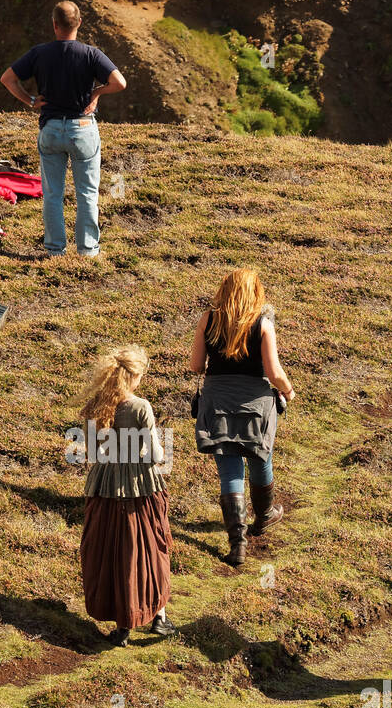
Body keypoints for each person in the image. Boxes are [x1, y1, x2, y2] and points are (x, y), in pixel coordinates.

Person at [0, 1, 126, 258]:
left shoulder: (39, 53)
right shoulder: (91, 54)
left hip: (52, 129)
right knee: (87, 194)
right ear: (79, 23)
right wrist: (97, 92)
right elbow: (119, 82)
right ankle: (87, 251)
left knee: (53, 195)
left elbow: (7, 79)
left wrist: (30, 100)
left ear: (54, 25)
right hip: (82, 128)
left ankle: (55, 250)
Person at [190, 269, 295, 566]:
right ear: (255, 293)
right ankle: (263, 516)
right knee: (261, 457)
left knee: (229, 471)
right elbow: (274, 373)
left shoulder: (208, 319)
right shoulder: (263, 323)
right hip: (256, 404)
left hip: (217, 401)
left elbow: (197, 365)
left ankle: (238, 545)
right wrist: (288, 391)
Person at [78, 344, 175, 647]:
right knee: (149, 553)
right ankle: (157, 616)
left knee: (112, 555)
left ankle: (123, 626)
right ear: (133, 376)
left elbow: (94, 453)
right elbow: (155, 455)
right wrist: (158, 453)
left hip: (104, 487)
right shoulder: (140, 407)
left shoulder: (96, 405)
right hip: (140, 488)